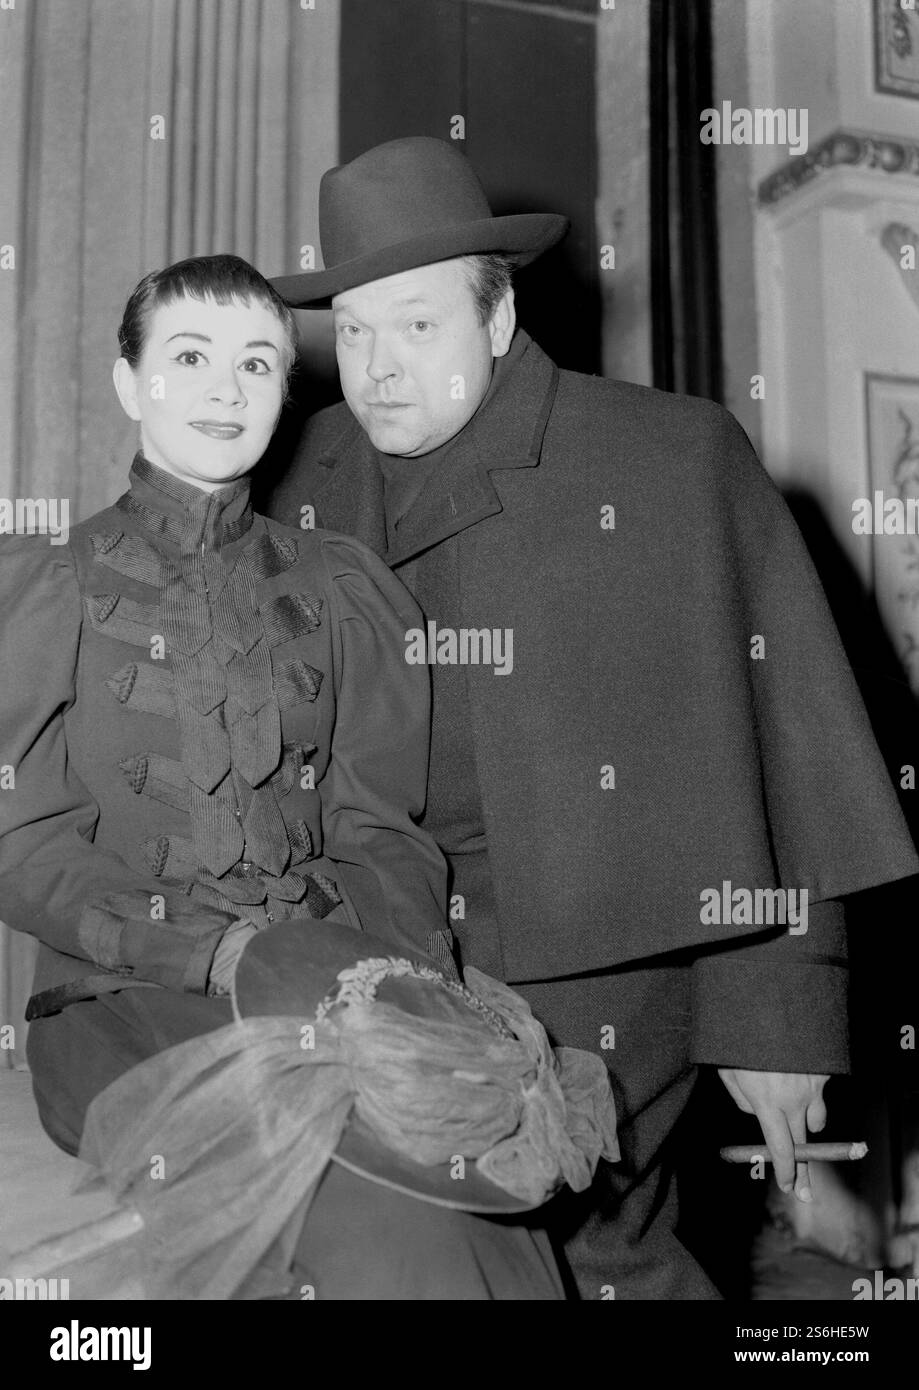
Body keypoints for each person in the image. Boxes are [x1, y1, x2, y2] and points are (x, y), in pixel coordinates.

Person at [266, 136, 919, 1299]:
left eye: (417, 324)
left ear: (498, 316)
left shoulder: (667, 460)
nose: (377, 368)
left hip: (607, 981)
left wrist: (774, 1018)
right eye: (353, 329)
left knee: (594, 1260)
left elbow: (791, 751)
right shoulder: (304, 474)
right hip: (382, 958)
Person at [0, 252, 564, 1300]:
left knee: (482, 1195)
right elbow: (21, 849)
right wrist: (213, 951)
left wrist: (396, 993)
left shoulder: (346, 588)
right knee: (396, 1224)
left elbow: (382, 834)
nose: (226, 388)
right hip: (123, 1009)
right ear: (131, 384)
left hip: (329, 986)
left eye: (257, 363)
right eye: (191, 356)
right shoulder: (47, 585)